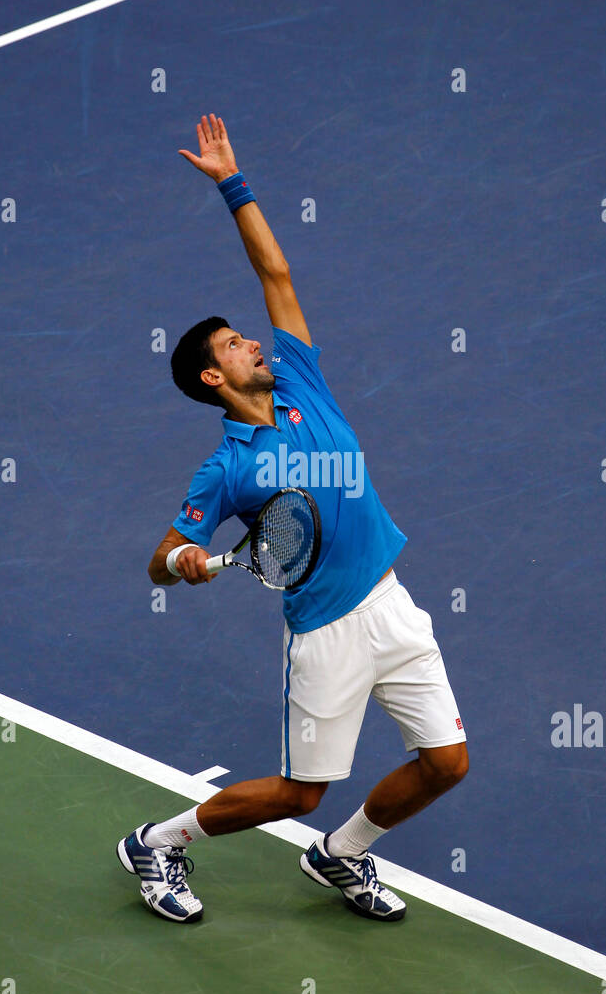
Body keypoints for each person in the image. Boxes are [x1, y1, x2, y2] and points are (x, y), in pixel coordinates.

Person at [117, 114, 468, 923]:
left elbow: (275, 271)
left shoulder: (301, 377)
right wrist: (184, 564)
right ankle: (156, 842)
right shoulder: (227, 466)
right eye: (238, 345)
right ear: (213, 377)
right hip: (326, 632)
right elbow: (162, 555)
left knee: (447, 762)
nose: (255, 343)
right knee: (299, 792)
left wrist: (232, 187)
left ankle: (339, 858)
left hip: (390, 602)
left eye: (249, 337)